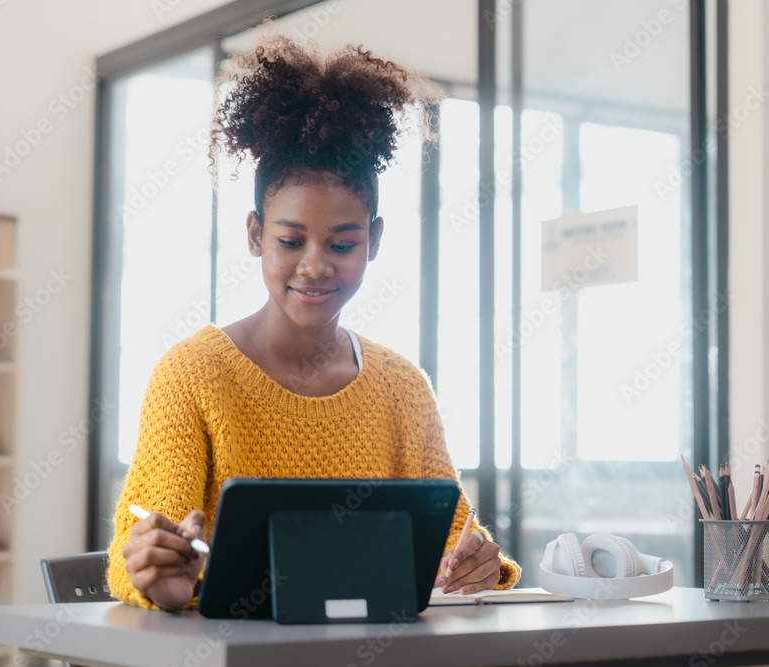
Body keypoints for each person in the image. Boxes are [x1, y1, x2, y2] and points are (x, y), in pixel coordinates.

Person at [106, 25, 521, 611]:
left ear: (374, 240)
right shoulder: (192, 375)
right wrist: (159, 577)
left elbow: (453, 547)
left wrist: (478, 565)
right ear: (256, 235)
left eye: (343, 244)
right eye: (290, 240)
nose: (316, 266)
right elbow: (147, 544)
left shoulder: (402, 389)